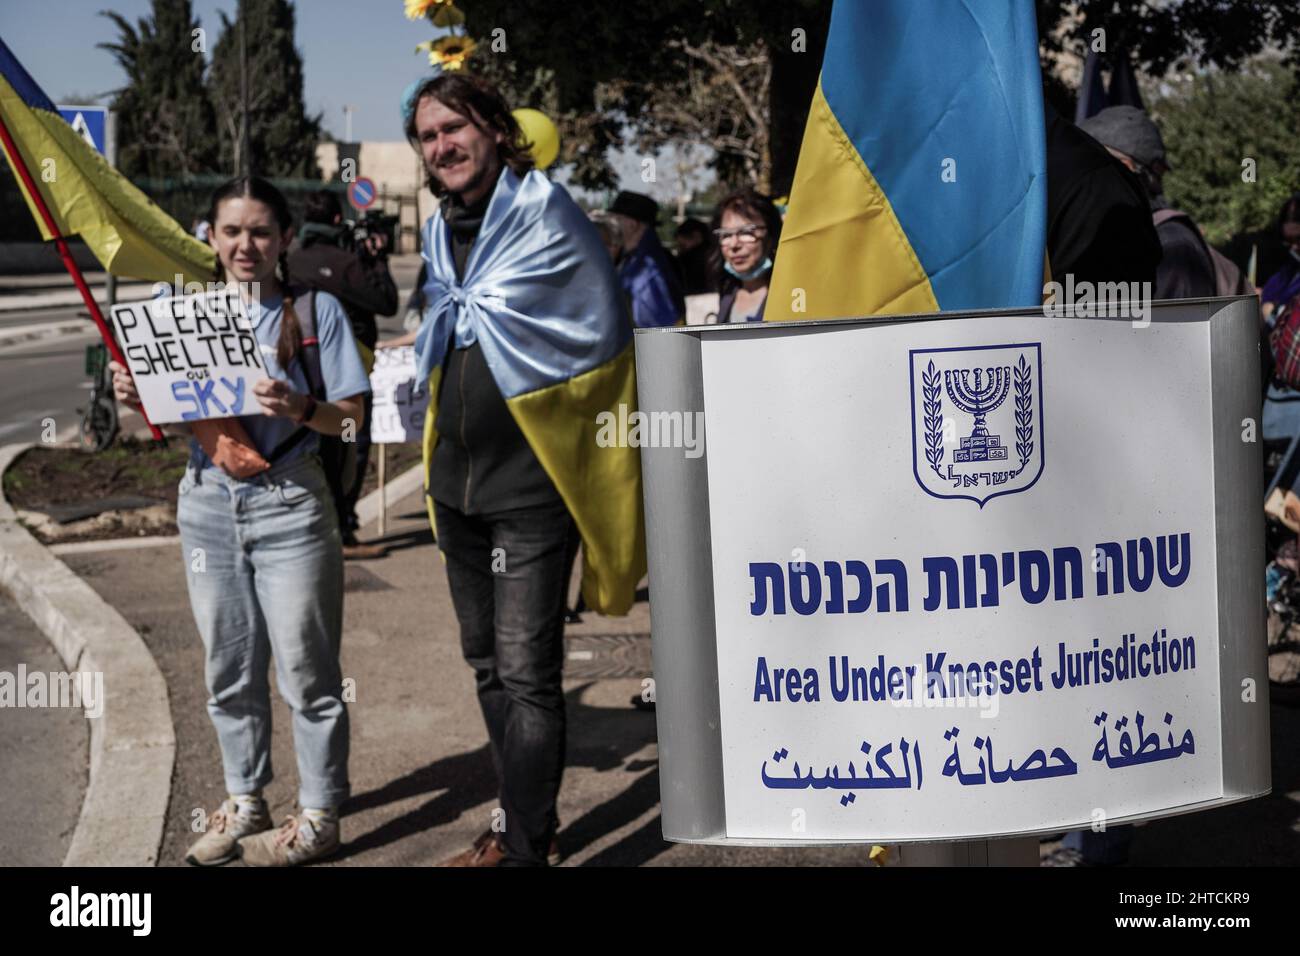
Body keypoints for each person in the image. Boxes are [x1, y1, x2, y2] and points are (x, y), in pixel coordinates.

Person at [404, 71, 641, 866]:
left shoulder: (547, 215)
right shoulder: (439, 233)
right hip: (456, 484)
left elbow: (600, 337)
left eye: (455, 127)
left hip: (533, 490)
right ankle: (519, 820)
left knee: (528, 673)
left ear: (497, 131)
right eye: (430, 136)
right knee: (487, 667)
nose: (443, 146)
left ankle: (525, 843)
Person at [110, 177, 371, 867]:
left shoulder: (316, 313)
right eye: (231, 231)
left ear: (285, 238)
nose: (244, 245)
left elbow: (351, 422)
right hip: (205, 503)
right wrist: (133, 392)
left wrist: (300, 408)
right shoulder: (180, 309)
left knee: (307, 672)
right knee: (228, 667)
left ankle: (319, 813)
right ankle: (246, 800)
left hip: (290, 503)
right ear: (210, 236)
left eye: (260, 231)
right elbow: (165, 411)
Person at [288, 189, 399, 558]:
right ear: (338, 221)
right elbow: (385, 303)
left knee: (312, 450)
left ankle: (317, 525)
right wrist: (377, 260)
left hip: (304, 372)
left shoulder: (292, 261)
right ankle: (343, 529)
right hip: (349, 371)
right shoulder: (346, 263)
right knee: (350, 447)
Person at [1077, 105, 1216, 300]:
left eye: (1086, 163)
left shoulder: (1172, 246)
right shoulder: (1117, 237)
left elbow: (1171, 328)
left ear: (1124, 168)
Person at [608, 190, 685, 327]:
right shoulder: (633, 259)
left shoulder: (649, 268)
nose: (612, 226)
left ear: (632, 224)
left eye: (617, 219)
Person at [712, 188, 782, 323]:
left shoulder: (791, 295)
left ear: (771, 235)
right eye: (726, 235)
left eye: (746, 232)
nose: (734, 245)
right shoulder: (726, 293)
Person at [1261, 195, 1300, 323]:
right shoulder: (1290, 270)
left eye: (1299, 239)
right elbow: (1269, 290)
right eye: (1289, 241)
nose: (1294, 247)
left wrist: (1271, 313)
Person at [674, 217, 713, 295]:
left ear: (697, 236)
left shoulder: (689, 260)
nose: (680, 251)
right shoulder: (715, 257)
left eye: (682, 246)